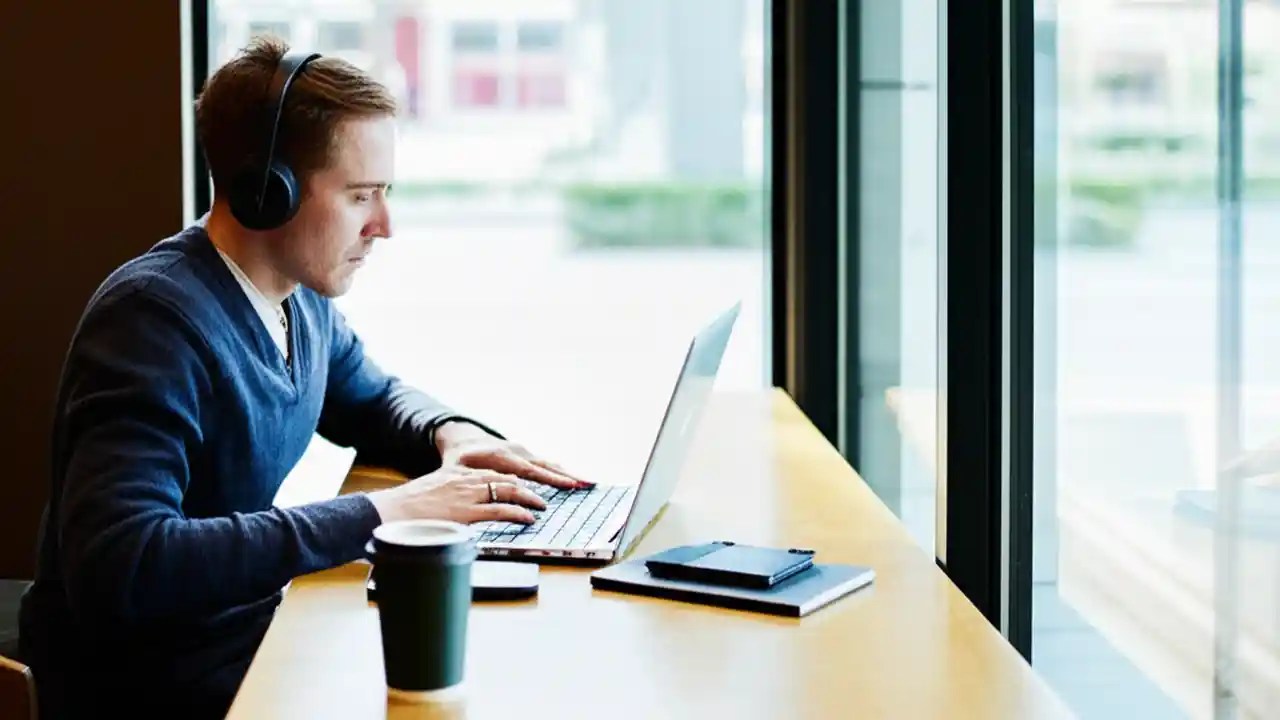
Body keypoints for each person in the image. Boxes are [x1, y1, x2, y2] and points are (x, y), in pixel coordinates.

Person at [18, 36, 587, 719]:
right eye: (360, 196)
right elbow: (127, 563)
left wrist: (450, 435)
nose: (385, 225)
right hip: (145, 686)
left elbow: (373, 398)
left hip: (244, 641)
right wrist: (382, 514)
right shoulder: (152, 323)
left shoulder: (297, 297)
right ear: (268, 192)